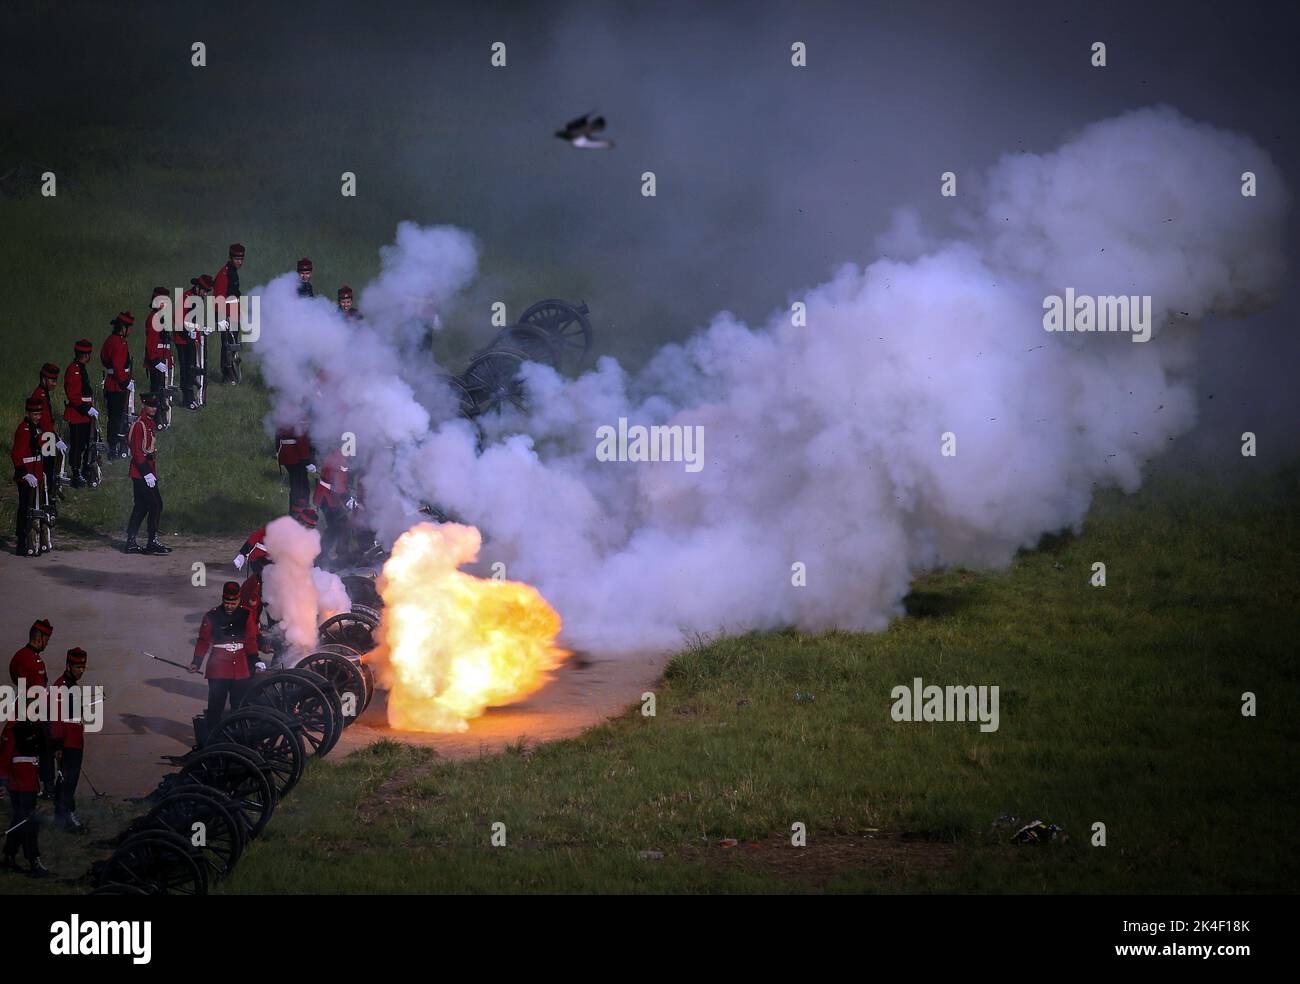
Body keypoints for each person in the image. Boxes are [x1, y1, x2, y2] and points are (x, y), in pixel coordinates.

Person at [188, 582, 259, 732]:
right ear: (222, 599)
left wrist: (255, 660)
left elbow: (251, 640)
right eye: (227, 602)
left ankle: (239, 735)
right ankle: (211, 737)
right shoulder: (212, 615)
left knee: (239, 705)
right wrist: (197, 662)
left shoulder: (246, 614)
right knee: (215, 705)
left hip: (240, 668)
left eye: (233, 603)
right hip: (218, 668)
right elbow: (203, 641)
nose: (229, 606)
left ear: (239, 600)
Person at [10, 619, 54, 797]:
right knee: (45, 750)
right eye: (47, 640)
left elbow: (16, 679)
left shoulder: (18, 656)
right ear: (41, 638)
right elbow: (38, 692)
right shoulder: (35, 661)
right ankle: (47, 788)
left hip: (22, 708)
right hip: (35, 712)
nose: (47, 644)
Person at [1, 721, 49, 877]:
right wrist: (2, 781)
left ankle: (9, 855)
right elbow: (5, 754)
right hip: (19, 782)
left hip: (29, 781)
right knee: (29, 821)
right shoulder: (13, 726)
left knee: (20, 819)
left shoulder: (37, 726)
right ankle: (33, 860)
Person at [48, 648, 89, 833]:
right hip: (67, 744)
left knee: (69, 781)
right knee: (67, 782)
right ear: (68, 665)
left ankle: (61, 817)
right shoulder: (61, 686)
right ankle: (66, 818)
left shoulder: (71, 685)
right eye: (78, 666)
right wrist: (58, 745)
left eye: (83, 666)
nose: (81, 670)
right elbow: (56, 718)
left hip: (75, 741)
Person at [124, 394, 170, 555]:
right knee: (156, 504)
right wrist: (147, 474)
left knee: (142, 507)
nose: (154, 408)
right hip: (142, 472)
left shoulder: (149, 423)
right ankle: (151, 541)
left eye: (155, 405)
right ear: (144, 405)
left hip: (147, 470)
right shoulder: (140, 425)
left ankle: (131, 541)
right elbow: (137, 452)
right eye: (150, 405)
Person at [11, 397, 47, 556]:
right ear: (28, 413)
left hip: (36, 474)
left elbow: (44, 449)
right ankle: (22, 542)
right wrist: (25, 474)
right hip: (26, 476)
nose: (37, 417)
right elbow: (16, 455)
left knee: (35, 510)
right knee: (25, 509)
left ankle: (34, 541)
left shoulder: (37, 428)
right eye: (34, 414)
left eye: (39, 414)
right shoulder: (23, 430)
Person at [63, 339, 98, 488]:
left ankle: (83, 471)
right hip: (78, 414)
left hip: (84, 414)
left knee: (84, 444)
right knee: (77, 446)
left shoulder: (80, 368)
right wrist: (86, 409)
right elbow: (73, 395)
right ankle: (76, 473)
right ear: (85, 354)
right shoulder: (74, 369)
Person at [31, 364, 66, 512]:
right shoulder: (40, 395)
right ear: (44, 379)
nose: (54, 384)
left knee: (51, 468)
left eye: (55, 380)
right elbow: (44, 422)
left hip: (47, 435)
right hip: (44, 437)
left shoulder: (44, 393)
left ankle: (50, 497)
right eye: (52, 380)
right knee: (47, 470)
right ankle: (47, 501)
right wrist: (54, 438)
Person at [99, 311, 135, 457]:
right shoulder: (119, 343)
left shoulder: (110, 340)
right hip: (117, 385)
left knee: (114, 417)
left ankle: (114, 444)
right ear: (123, 328)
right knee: (117, 417)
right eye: (129, 327)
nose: (130, 331)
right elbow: (119, 367)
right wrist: (126, 382)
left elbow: (104, 358)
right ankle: (114, 446)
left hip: (111, 382)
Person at [177, 274, 213, 410]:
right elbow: (178, 320)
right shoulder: (186, 298)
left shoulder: (198, 299)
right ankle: (187, 398)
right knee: (186, 368)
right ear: (197, 287)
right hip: (182, 339)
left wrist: (202, 329)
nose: (204, 293)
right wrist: (190, 331)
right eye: (203, 290)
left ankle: (192, 395)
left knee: (192, 368)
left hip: (192, 338)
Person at [313, 446, 353, 565]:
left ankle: (338, 553)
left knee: (341, 524)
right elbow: (338, 486)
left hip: (329, 497)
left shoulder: (337, 457)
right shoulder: (339, 461)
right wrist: (347, 500)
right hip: (327, 498)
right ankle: (323, 556)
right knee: (335, 526)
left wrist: (348, 497)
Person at [212, 243, 245, 384]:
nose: (239, 261)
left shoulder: (233, 273)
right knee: (227, 346)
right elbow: (218, 297)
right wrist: (220, 318)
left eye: (241, 259)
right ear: (230, 258)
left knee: (233, 345)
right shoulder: (223, 274)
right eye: (237, 258)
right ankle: (227, 375)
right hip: (226, 315)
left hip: (234, 315)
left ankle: (232, 373)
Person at [145, 287, 174, 428]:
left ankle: (161, 418)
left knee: (162, 391)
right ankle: (156, 420)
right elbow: (151, 343)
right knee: (156, 392)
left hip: (163, 358)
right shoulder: (153, 318)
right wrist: (155, 361)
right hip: (156, 360)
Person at [276, 425, 315, 511]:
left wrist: (277, 450)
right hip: (296, 455)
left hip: (286, 453)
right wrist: (306, 461)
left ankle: (295, 510)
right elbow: (301, 439)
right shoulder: (299, 417)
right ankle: (301, 511)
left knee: (295, 484)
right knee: (301, 485)